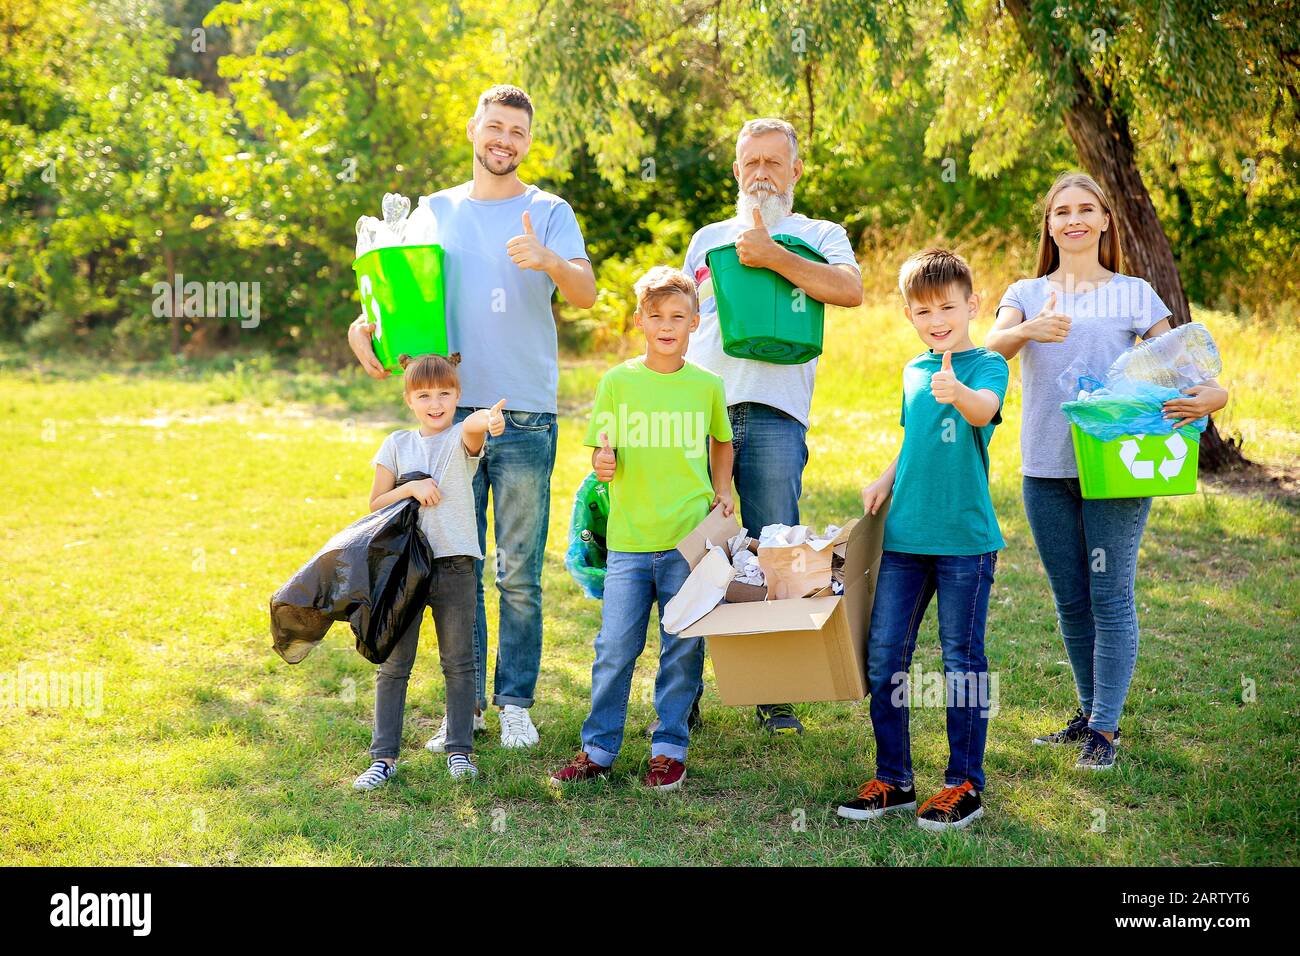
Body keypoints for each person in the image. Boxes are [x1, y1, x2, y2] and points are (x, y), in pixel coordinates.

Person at [349, 84, 596, 750]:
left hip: (523, 414)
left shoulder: (549, 210)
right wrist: (361, 328)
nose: (504, 140)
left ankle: (514, 701)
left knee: (518, 570)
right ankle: (469, 711)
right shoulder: (433, 211)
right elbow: (395, 293)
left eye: (517, 132)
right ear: (472, 130)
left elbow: (587, 293)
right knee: (457, 563)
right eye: (495, 127)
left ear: (527, 141)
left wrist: (548, 260)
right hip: (446, 420)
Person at [985, 171, 1229, 770]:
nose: (1073, 219)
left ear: (1104, 221)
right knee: (1071, 600)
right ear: (1048, 224)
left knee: (1110, 593)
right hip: (1046, 467)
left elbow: (1179, 368)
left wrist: (1215, 397)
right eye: (1061, 210)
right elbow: (985, 350)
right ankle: (1090, 713)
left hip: (1118, 467)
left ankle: (1106, 731)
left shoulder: (1135, 293)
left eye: (1085, 209)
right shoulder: (1025, 291)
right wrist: (1026, 329)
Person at [677, 117, 863, 736]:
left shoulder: (819, 233)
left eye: (773, 163)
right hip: (701, 414)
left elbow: (850, 291)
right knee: (697, 549)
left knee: (773, 549)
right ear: (736, 170)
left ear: (795, 171)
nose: (761, 173)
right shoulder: (708, 238)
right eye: (750, 162)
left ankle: (772, 695)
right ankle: (684, 697)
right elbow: (686, 319)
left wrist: (773, 256)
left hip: (777, 412)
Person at [836, 249, 1008, 831]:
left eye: (948, 308)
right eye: (924, 310)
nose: (937, 319)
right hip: (905, 538)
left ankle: (964, 783)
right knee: (886, 657)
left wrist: (956, 390)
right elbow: (914, 440)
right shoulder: (913, 370)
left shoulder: (985, 366)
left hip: (965, 541)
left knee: (961, 661)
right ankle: (894, 779)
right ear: (909, 314)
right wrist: (885, 479)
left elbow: (984, 412)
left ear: (972, 305)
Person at [550, 267, 734, 791]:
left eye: (678, 316)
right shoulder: (618, 382)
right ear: (640, 322)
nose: (667, 326)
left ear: (695, 323)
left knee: (681, 646)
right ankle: (598, 749)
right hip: (629, 543)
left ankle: (669, 747)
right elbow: (600, 451)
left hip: (686, 543)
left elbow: (722, 440)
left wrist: (724, 486)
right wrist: (602, 463)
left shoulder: (707, 386)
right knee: (614, 649)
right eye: (656, 317)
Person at [352, 353, 506, 789]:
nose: (435, 402)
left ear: (458, 396)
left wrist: (487, 420)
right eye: (424, 395)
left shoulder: (461, 437)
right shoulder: (397, 444)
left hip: (455, 565)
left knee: (459, 662)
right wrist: (411, 487)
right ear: (410, 399)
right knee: (394, 663)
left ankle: (460, 751)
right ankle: (384, 757)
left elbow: (475, 428)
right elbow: (376, 503)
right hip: (403, 569)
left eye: (445, 393)